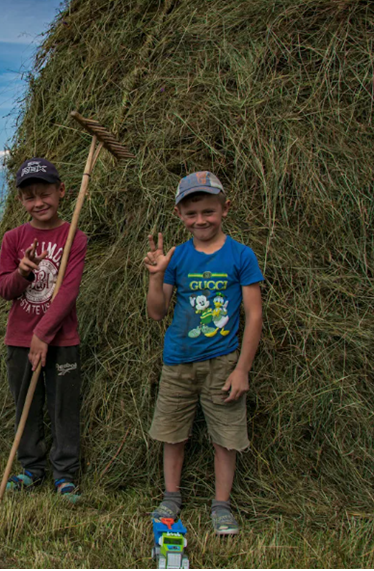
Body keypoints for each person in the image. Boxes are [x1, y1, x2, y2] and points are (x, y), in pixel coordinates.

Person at [144, 171, 264, 536]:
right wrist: (155, 274)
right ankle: (171, 496)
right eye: (191, 213)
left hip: (223, 363)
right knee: (172, 432)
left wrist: (242, 369)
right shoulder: (177, 256)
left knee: (225, 436)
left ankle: (222, 504)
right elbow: (156, 312)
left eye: (208, 211)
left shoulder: (241, 255)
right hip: (178, 360)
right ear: (180, 214)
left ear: (225, 209)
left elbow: (254, 314)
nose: (200, 220)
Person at [0, 157, 88, 504]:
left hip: (61, 340)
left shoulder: (74, 237)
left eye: (45, 193)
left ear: (61, 191)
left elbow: (68, 291)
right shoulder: (13, 238)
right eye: (30, 197)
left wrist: (44, 334)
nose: (39, 202)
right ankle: (30, 468)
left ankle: (64, 474)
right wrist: (22, 272)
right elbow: (4, 290)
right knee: (26, 404)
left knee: (63, 405)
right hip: (19, 339)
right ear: (21, 201)